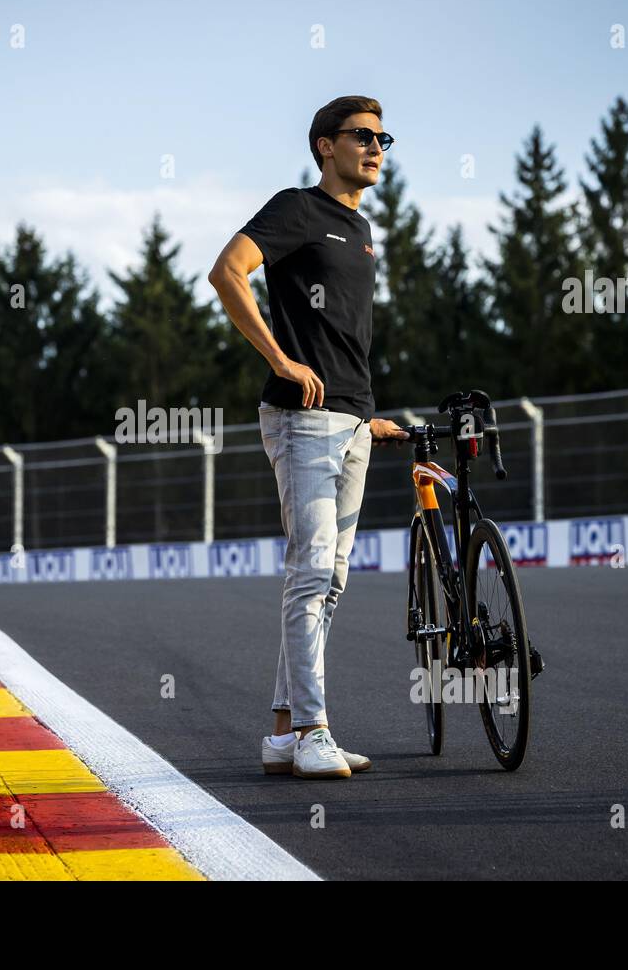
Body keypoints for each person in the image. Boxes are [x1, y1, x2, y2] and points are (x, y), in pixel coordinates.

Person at [207, 96, 408, 779]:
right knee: (312, 569)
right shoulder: (298, 209)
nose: (377, 147)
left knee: (332, 580)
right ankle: (316, 728)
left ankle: (283, 733)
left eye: (384, 137)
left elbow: (347, 335)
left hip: (349, 418)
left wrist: (365, 412)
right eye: (363, 136)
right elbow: (226, 272)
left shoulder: (363, 226)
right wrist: (279, 360)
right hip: (300, 417)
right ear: (326, 145)